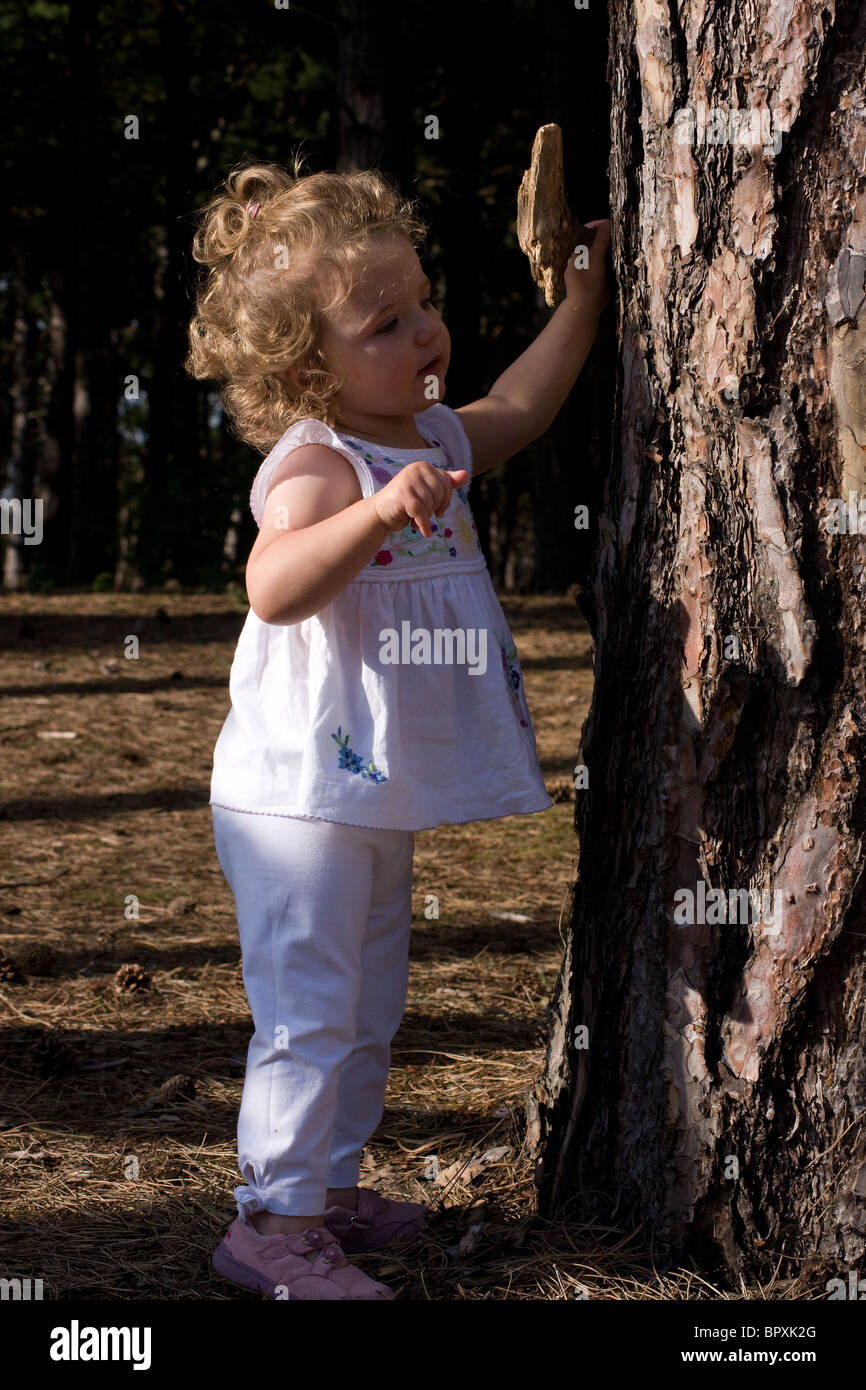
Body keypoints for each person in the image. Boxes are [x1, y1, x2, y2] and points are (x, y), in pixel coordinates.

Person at [185, 157, 610, 1300]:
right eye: (386, 322)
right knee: (310, 1009)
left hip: (362, 791)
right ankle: (267, 1226)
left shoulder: (429, 435)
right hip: (296, 801)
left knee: (367, 1001)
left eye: (423, 304)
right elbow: (272, 587)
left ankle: (321, 1190)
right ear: (302, 364)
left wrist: (581, 298)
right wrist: (373, 511)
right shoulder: (320, 463)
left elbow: (517, 408)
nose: (426, 332)